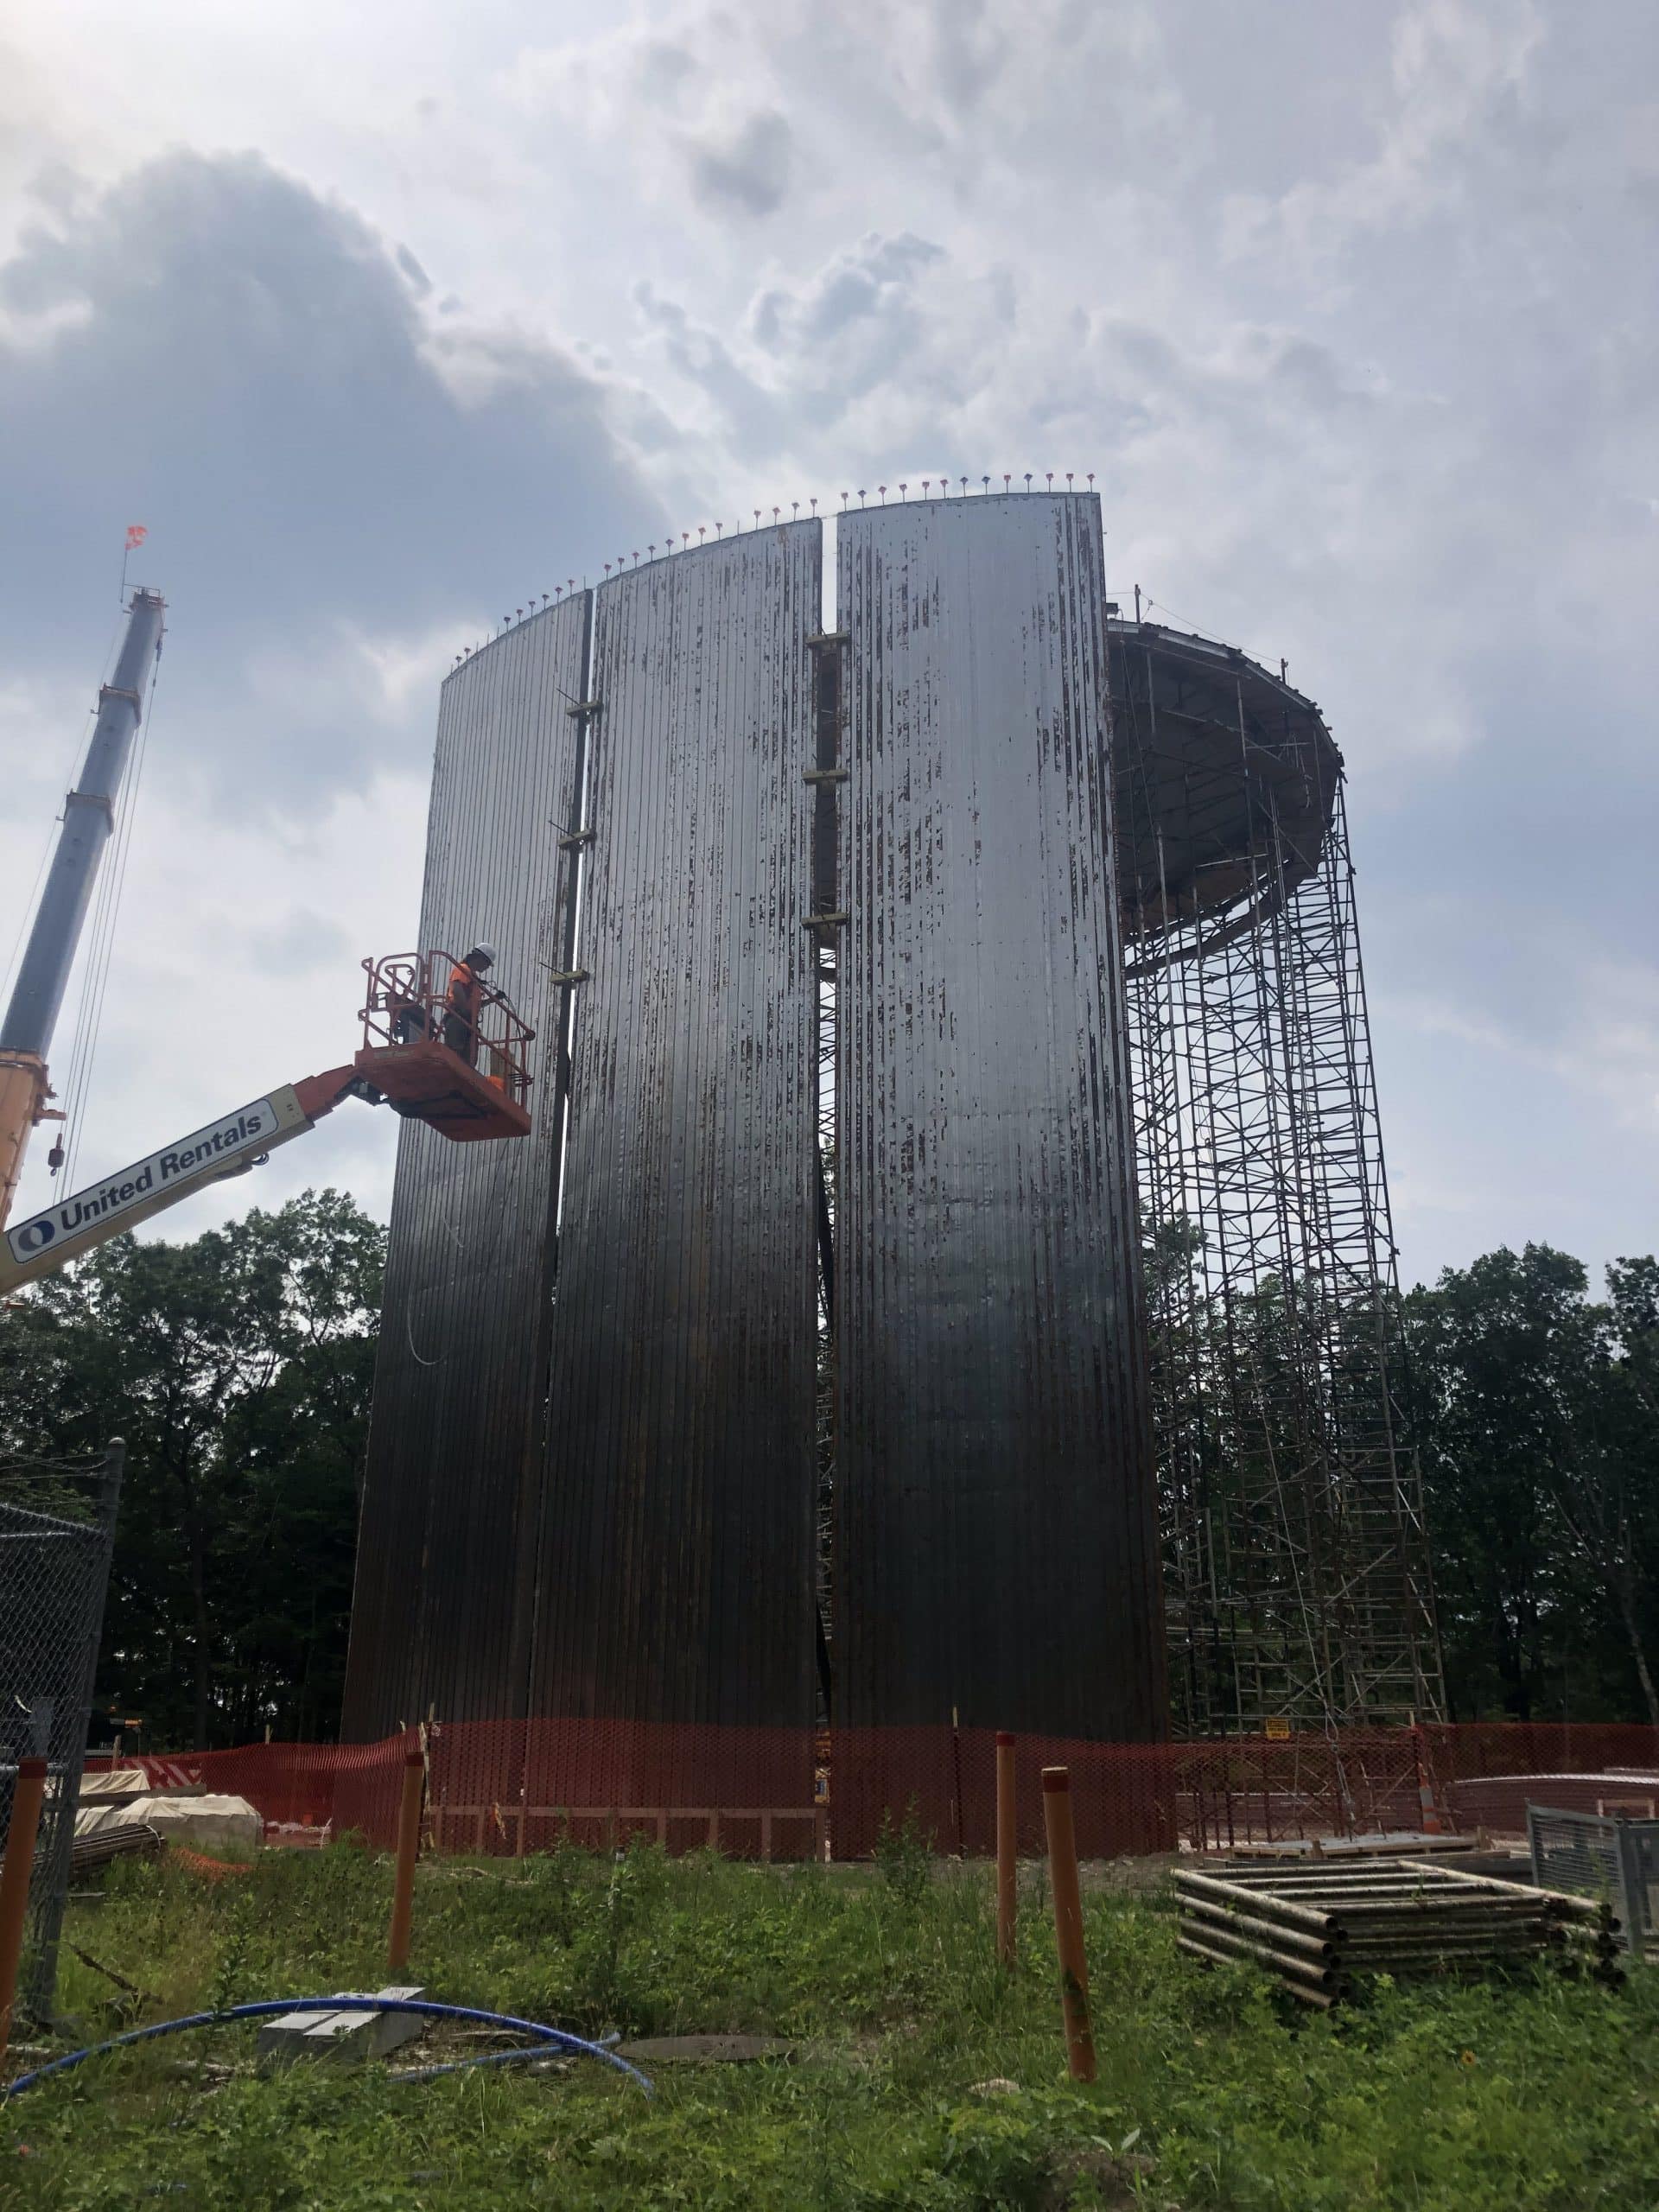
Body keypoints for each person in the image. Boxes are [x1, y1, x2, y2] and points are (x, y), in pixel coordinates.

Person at [443, 942, 496, 1065]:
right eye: (487, 963)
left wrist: (492, 999)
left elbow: (474, 1005)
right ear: (479, 958)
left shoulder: (472, 977)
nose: (487, 967)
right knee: (456, 1054)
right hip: (458, 1018)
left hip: (468, 1020)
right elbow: (456, 989)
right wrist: (465, 1012)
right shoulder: (463, 969)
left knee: (468, 1060)